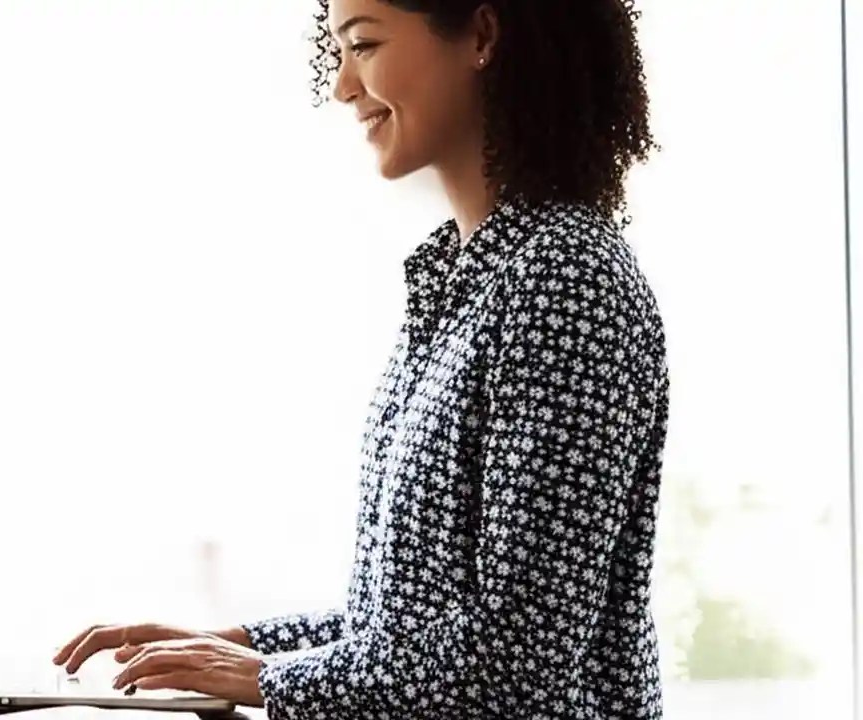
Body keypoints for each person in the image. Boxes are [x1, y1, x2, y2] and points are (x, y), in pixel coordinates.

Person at [54, 0, 668, 717]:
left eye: (364, 45)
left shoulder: (568, 281)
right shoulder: (466, 278)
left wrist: (267, 678)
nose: (343, 85)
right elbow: (408, 631)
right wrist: (231, 645)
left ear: (481, 35)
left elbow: (517, 659)